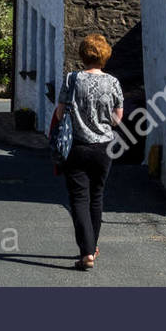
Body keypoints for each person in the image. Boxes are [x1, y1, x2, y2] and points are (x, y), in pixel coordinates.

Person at [51, 33, 124, 271]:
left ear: (83, 55)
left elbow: (60, 113)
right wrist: (101, 122)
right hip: (104, 148)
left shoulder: (72, 79)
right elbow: (117, 118)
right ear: (105, 56)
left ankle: (87, 253)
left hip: (77, 147)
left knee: (79, 199)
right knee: (97, 197)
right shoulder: (113, 82)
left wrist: (77, 118)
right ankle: (92, 248)